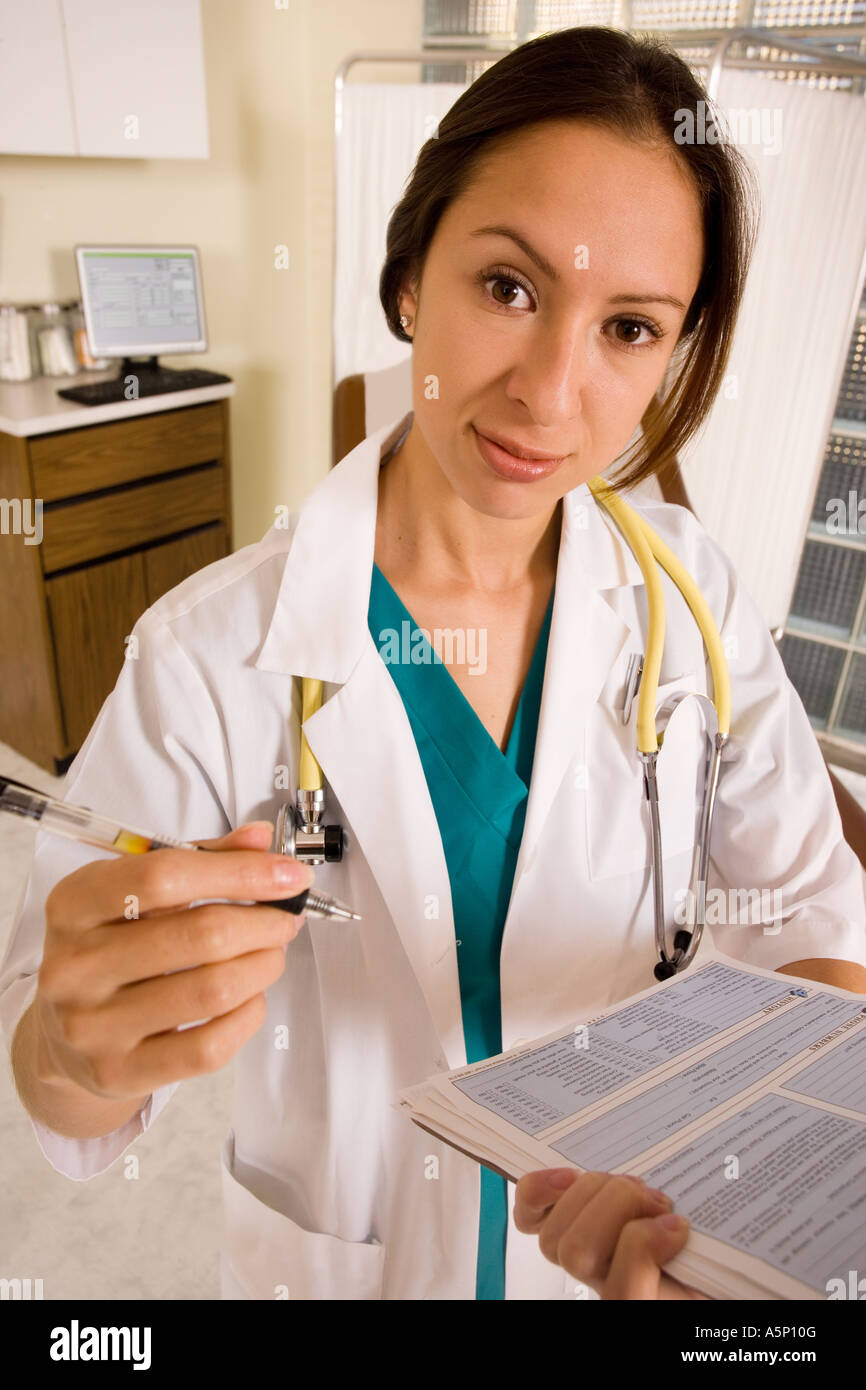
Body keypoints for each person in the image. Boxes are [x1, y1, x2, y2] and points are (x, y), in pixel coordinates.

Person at [3, 25, 866, 1303]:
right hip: (345, 1264)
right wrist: (81, 1046)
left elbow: (810, 917)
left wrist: (747, 1172)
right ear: (411, 277)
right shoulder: (209, 653)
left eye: (627, 327)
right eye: (507, 289)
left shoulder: (695, 602)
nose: (548, 392)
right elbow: (49, 1065)